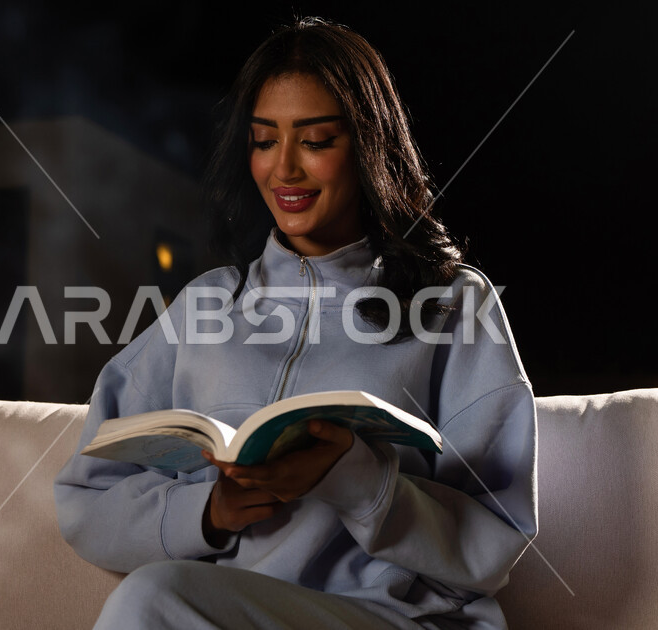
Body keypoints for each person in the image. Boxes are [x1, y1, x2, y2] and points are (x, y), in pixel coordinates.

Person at [54, 17, 536, 630]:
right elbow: (85, 497)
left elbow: (497, 538)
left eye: (314, 141)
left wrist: (356, 478)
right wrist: (209, 512)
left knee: (149, 600)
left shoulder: (454, 304)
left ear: (367, 146)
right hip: (235, 613)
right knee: (156, 597)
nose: (284, 170)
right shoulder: (207, 307)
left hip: (401, 620)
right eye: (263, 141)